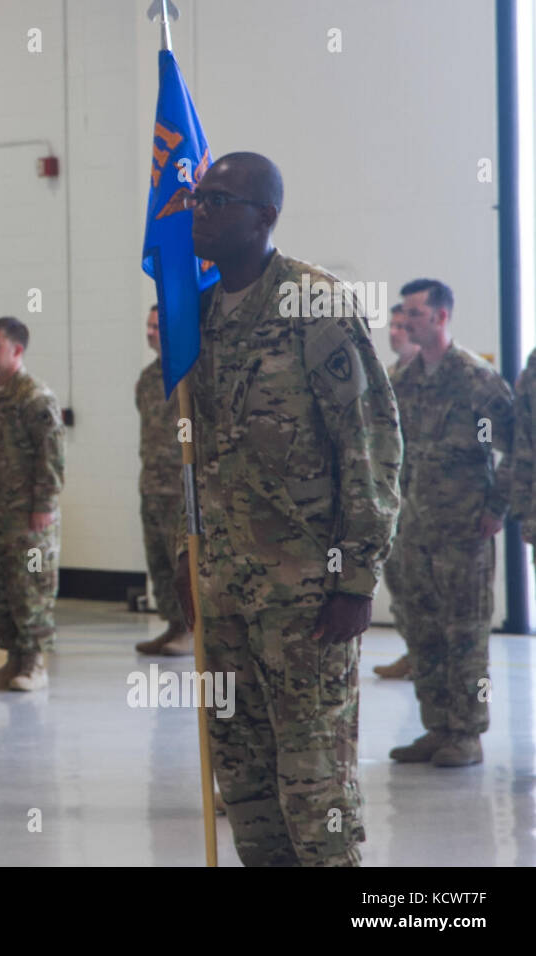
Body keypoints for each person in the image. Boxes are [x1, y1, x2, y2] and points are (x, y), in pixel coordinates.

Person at [175, 153, 401, 866]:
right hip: (223, 587)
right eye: (198, 198)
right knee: (243, 778)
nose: (199, 211)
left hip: (304, 593)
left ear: (265, 217)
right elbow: (194, 449)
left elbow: (369, 445)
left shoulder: (315, 305)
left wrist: (355, 578)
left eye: (218, 200)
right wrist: (188, 552)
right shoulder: (198, 316)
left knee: (313, 777)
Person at [388, 278, 512, 768]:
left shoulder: (476, 381)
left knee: (466, 636)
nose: (406, 321)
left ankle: (467, 731)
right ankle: (437, 727)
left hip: (464, 532)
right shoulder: (404, 381)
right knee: (422, 633)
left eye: (415, 313)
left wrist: (495, 508)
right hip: (415, 531)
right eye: (403, 312)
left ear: (441, 317)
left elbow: (513, 448)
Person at [0, 317, 65, 692]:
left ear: (17, 350)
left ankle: (34, 663)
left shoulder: (35, 396)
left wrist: (44, 504)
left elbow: (51, 455)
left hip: (29, 515)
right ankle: (12, 660)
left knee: (30, 588)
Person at [134, 304, 192, 656]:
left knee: (181, 562)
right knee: (158, 562)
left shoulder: (189, 373)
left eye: (156, 326)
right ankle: (172, 624)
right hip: (152, 484)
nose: (150, 332)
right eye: (149, 326)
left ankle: (190, 629)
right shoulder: (146, 379)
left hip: (181, 488)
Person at [373, 303, 418, 680]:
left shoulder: (443, 377)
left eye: (403, 326)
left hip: (433, 504)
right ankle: (413, 651)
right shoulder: (385, 379)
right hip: (394, 499)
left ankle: (433, 660)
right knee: (401, 581)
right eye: (393, 325)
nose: (395, 332)